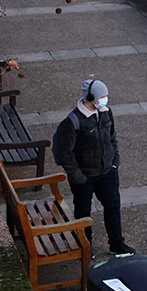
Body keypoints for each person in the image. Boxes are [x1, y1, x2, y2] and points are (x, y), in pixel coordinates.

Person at [52, 78, 131, 256]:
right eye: (102, 96)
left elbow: (112, 138)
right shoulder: (72, 122)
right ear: (91, 97)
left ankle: (117, 245)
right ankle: (85, 247)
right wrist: (78, 176)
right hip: (85, 176)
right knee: (83, 211)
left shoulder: (106, 112)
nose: (106, 99)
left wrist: (114, 162)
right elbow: (63, 153)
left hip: (107, 171)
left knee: (113, 206)